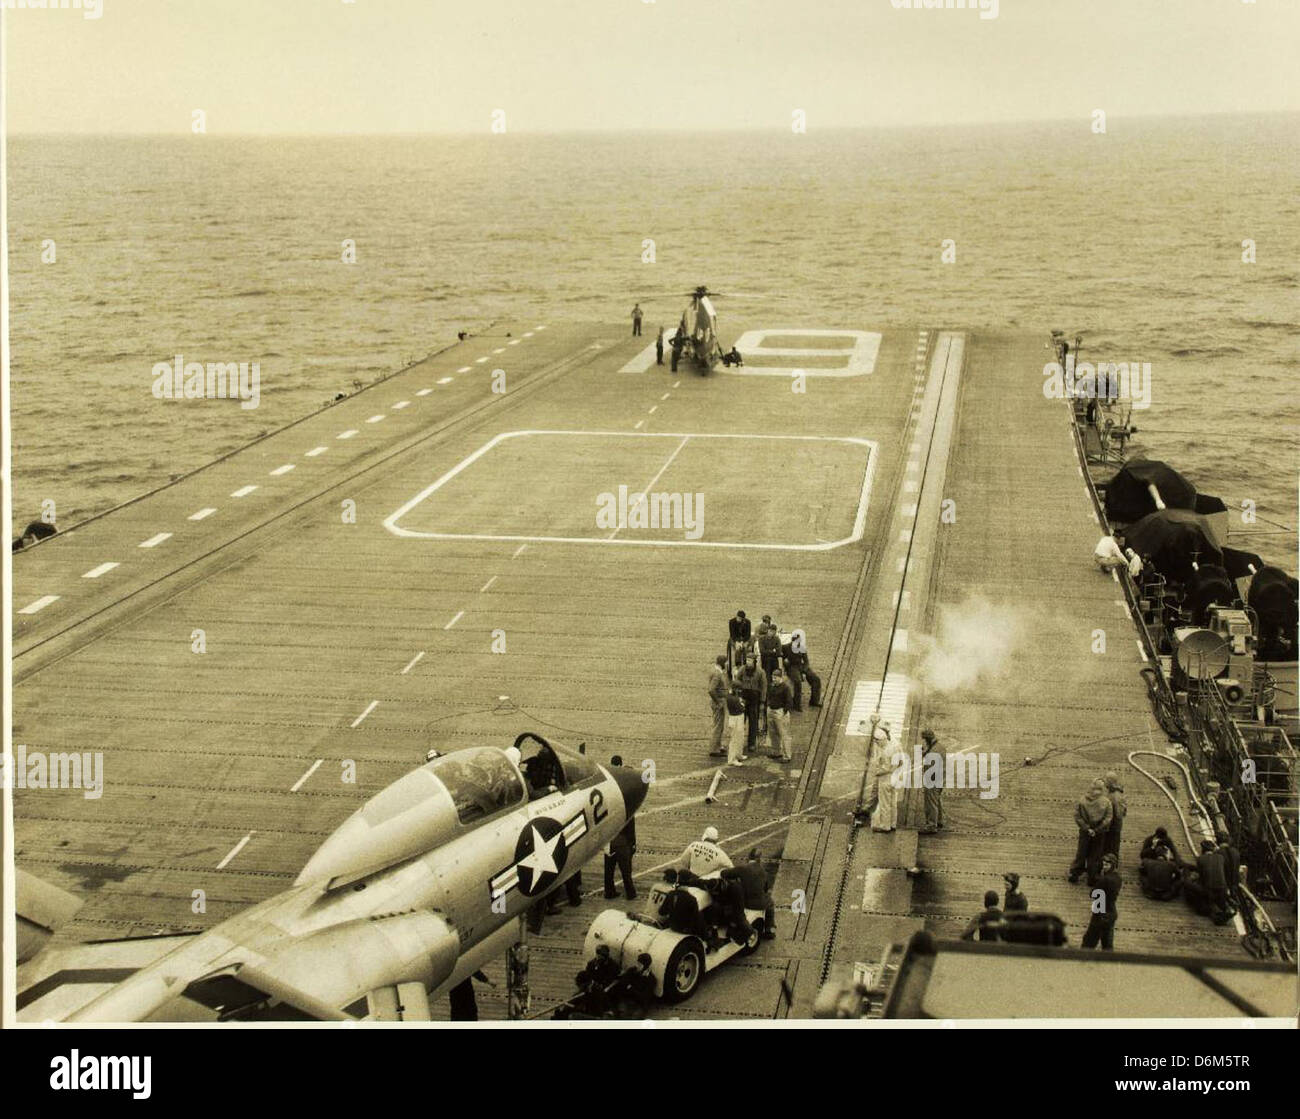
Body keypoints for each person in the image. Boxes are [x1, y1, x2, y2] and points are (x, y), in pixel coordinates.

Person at [603, 756, 637, 899]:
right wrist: (633, 843)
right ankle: (630, 893)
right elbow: (631, 828)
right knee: (625, 870)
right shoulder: (627, 809)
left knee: (609, 870)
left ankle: (609, 892)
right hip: (622, 841)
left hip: (609, 841)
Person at [721, 849, 776, 938]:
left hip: (745, 903)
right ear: (759, 859)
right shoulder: (764, 872)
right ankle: (769, 929)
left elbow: (724, 873)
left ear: (748, 858)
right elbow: (765, 889)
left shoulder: (742, 869)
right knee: (771, 903)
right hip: (760, 903)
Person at [1068, 779, 1113, 885]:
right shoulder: (1106, 802)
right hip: (1099, 833)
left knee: (1081, 853)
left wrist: (1087, 828)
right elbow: (1108, 818)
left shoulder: (1082, 800)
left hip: (1085, 832)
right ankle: (1091, 877)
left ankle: (1075, 873)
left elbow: (1077, 816)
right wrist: (1097, 829)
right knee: (1095, 855)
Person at [870, 721, 904, 833]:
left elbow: (886, 768)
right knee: (893, 802)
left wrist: (877, 772)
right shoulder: (896, 745)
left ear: (881, 740)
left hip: (886, 779)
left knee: (884, 803)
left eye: (877, 741)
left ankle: (885, 826)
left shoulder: (885, 751)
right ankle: (893, 824)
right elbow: (900, 762)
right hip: (896, 777)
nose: (876, 743)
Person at [1081, 853, 1121, 949]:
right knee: (1107, 944)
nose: (1104, 867)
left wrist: (1100, 880)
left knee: (1088, 942)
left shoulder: (1104, 880)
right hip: (1111, 913)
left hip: (1100, 913)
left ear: (1112, 865)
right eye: (1104, 864)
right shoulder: (1118, 878)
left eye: (1107, 865)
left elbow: (1093, 894)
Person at [736, 654, 767, 758]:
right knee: (741, 720)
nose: (748, 662)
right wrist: (738, 694)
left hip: (754, 699)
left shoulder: (760, 672)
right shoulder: (742, 669)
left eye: (750, 660)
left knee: (753, 722)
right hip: (744, 698)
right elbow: (737, 681)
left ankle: (752, 743)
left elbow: (763, 688)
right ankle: (739, 741)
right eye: (747, 660)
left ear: (754, 661)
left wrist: (762, 702)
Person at [1195, 839, 1230, 922]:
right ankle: (1220, 908)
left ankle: (1211, 908)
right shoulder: (1221, 858)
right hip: (1222, 890)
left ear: (1203, 850)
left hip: (1209, 891)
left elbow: (1202, 878)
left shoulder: (1200, 859)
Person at [919, 729, 945, 833]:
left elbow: (929, 766)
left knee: (930, 802)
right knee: (936, 800)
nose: (924, 742)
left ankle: (931, 825)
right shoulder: (939, 746)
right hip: (941, 778)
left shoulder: (933, 751)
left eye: (924, 739)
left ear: (927, 739)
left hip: (932, 779)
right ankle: (939, 820)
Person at [767, 667, 793, 762]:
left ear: (780, 677)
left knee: (784, 734)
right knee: (773, 733)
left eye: (775, 678)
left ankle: (787, 755)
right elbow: (768, 696)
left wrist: (784, 712)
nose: (773, 680)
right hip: (771, 710)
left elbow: (789, 701)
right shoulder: (772, 686)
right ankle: (776, 752)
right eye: (773, 678)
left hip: (780, 712)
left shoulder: (785, 688)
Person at [708, 655, 729, 757]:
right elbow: (711, 690)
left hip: (719, 701)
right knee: (718, 725)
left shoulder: (717, 672)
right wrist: (718, 702)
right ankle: (714, 749)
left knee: (719, 724)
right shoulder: (717, 674)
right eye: (726, 662)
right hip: (718, 702)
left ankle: (718, 745)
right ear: (722, 663)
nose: (727, 664)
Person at [1103, 771, 1127, 860]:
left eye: (1106, 779)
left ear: (1110, 781)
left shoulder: (1115, 796)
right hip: (1111, 826)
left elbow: (1119, 814)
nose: (1104, 781)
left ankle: (1111, 866)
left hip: (1112, 828)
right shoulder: (1112, 793)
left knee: (1111, 848)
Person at [724, 684, 748, 765]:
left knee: (740, 737)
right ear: (735, 689)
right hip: (736, 719)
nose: (740, 692)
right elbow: (742, 708)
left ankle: (739, 754)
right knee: (735, 739)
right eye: (738, 690)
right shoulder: (733, 699)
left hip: (737, 718)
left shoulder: (730, 696)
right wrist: (742, 703)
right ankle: (732, 759)